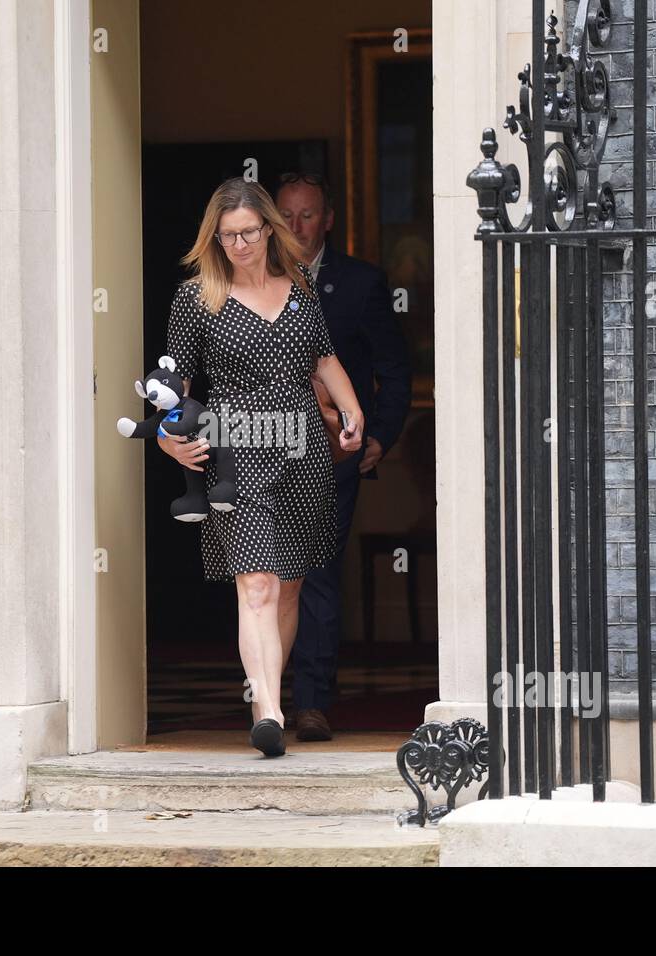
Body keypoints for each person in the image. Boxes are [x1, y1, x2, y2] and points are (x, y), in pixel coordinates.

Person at [156, 177, 364, 757]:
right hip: (232, 452)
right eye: (227, 237)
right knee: (257, 582)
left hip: (302, 449)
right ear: (213, 239)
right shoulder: (197, 298)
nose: (240, 244)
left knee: (290, 586)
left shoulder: (299, 287)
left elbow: (324, 358)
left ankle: (262, 697)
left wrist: (352, 410)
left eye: (248, 232)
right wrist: (170, 443)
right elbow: (173, 385)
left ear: (269, 230)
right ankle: (271, 709)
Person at [274, 171, 411, 742]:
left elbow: (393, 367)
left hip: (333, 450)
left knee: (318, 573)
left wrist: (380, 434)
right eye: (288, 216)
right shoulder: (251, 281)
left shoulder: (361, 283)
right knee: (261, 576)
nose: (299, 226)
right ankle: (264, 698)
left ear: (327, 219)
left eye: (309, 215)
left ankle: (310, 702)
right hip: (263, 446)